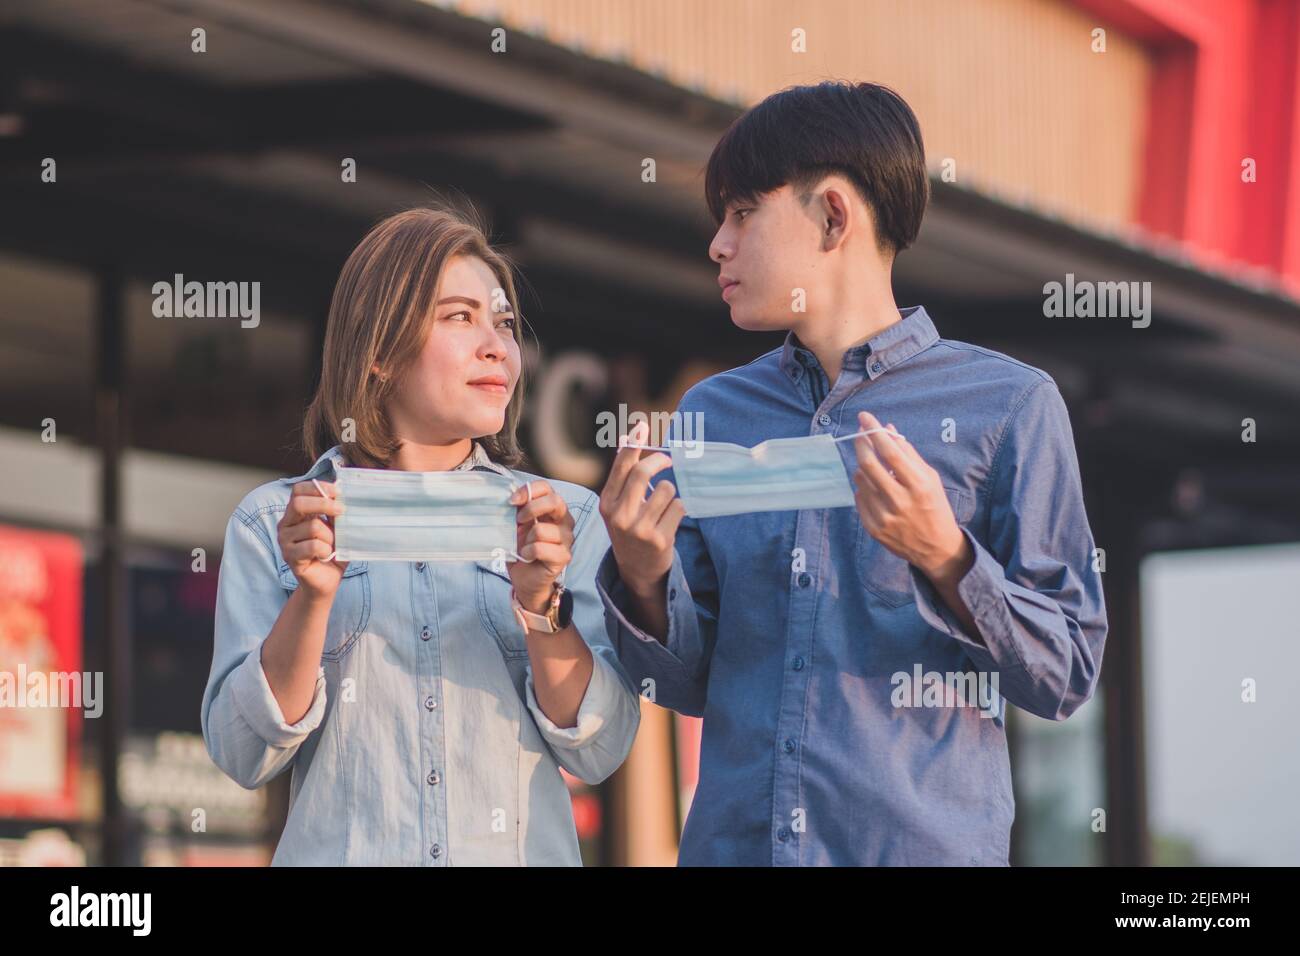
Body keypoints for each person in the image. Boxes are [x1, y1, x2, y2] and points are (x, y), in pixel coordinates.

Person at [596, 81, 1109, 865]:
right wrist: (640, 575)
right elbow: (687, 683)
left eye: (741, 214)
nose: (718, 246)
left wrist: (947, 557)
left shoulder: (1009, 407)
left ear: (833, 215)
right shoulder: (712, 412)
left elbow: (1065, 674)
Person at [201, 206, 640, 865]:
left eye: (505, 324)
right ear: (378, 351)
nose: (497, 345)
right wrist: (312, 597)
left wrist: (544, 609)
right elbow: (242, 755)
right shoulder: (275, 523)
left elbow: (601, 749)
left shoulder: (562, 521)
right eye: (460, 316)